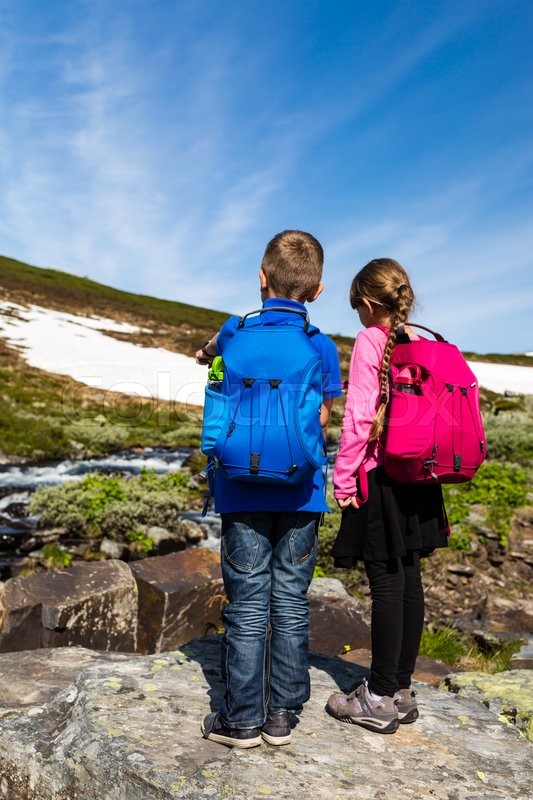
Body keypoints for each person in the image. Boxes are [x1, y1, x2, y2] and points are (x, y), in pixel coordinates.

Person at [195, 230, 342, 748]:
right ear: (318, 291)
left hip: (239, 491)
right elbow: (321, 419)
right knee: (291, 600)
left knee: (247, 602)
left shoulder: (235, 333)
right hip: (302, 494)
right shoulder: (321, 346)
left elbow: (208, 352)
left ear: (261, 278)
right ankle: (281, 715)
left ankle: (240, 720)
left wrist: (206, 350)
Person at [326, 258, 448, 734]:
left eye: (357, 303)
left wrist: (342, 477)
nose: (356, 312)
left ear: (369, 301)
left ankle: (375, 697)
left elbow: (358, 418)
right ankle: (399, 689)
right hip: (423, 475)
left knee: (386, 585)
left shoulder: (370, 340)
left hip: (382, 475)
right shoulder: (424, 340)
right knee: (410, 579)